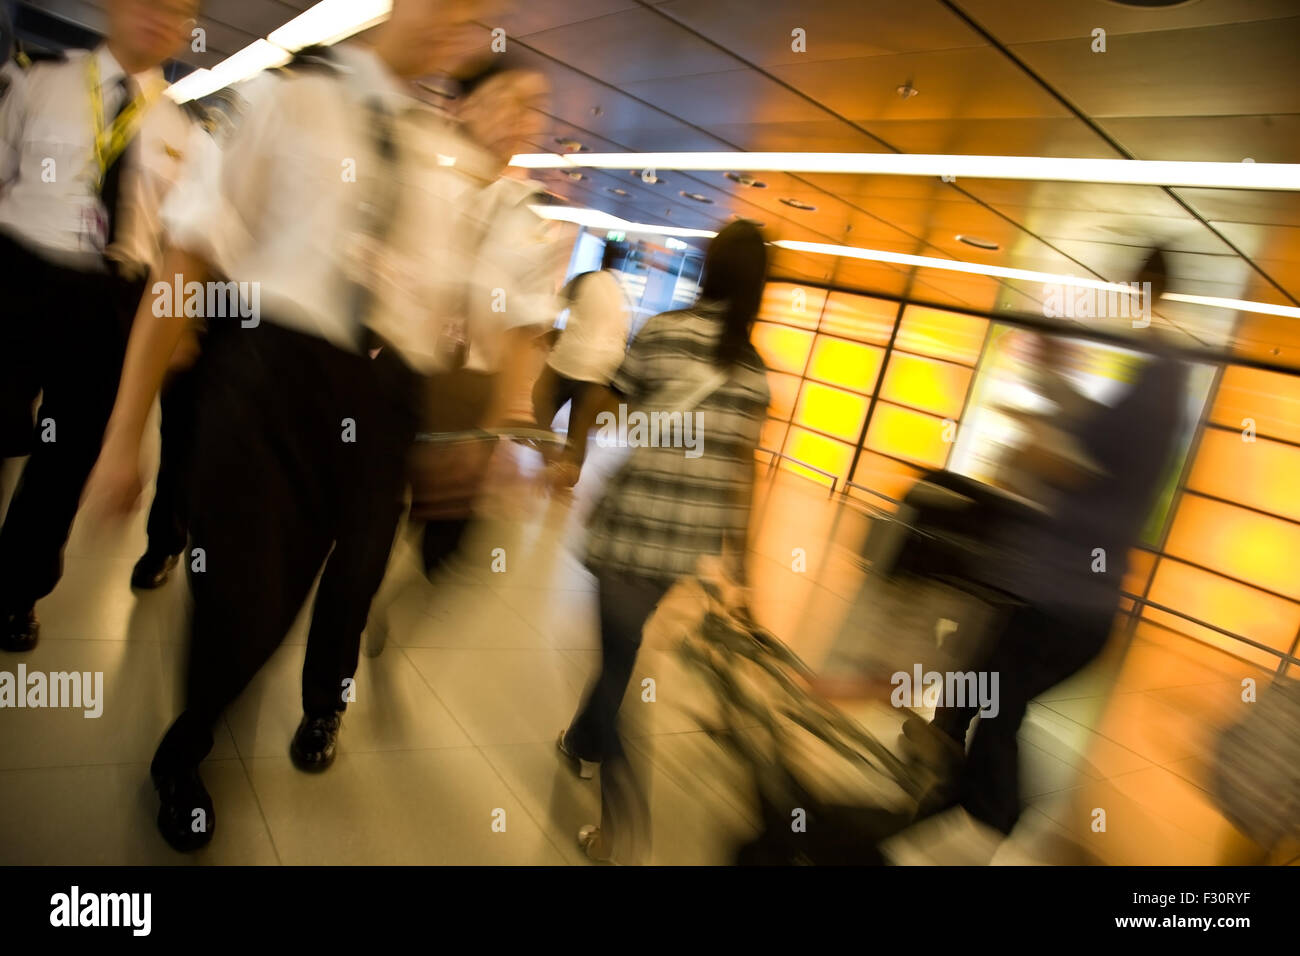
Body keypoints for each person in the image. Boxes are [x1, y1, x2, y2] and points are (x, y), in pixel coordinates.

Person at [83, 0, 498, 852]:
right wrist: (124, 434)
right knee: (243, 600)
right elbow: (185, 262)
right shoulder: (287, 100)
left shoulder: (433, 157)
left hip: (379, 403)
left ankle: (302, 702)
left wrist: (445, 445)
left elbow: (438, 322)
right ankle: (183, 751)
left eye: (477, 13)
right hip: (273, 378)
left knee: (330, 595)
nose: (459, 21)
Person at [893, 251, 1190, 863]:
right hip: (1072, 598)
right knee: (983, 694)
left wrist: (1035, 432)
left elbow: (1071, 462)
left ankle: (986, 819)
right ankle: (955, 801)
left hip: (1061, 597)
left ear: (1143, 290)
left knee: (994, 708)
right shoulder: (1159, 383)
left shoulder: (1155, 381)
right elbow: (1084, 456)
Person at [556, 220, 771, 862]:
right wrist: (743, 569)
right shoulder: (755, 374)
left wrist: (577, 454)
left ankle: (624, 830)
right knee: (619, 654)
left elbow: (607, 404)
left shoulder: (662, 332)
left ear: (707, 270)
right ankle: (581, 741)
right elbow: (743, 473)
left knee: (619, 666)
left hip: (630, 535)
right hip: (684, 551)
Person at [0, 0, 197, 651]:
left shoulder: (180, 130)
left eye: (181, 10)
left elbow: (176, 250)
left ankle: (16, 592)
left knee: (65, 460)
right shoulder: (40, 79)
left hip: (113, 301)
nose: (163, 18)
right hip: (22, 274)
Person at [532, 244, 631, 488]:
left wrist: (545, 333)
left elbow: (553, 308)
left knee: (540, 399)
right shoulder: (624, 292)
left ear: (602, 255)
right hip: (604, 370)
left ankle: (550, 453)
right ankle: (569, 473)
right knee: (580, 426)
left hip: (570, 361)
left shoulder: (584, 279)